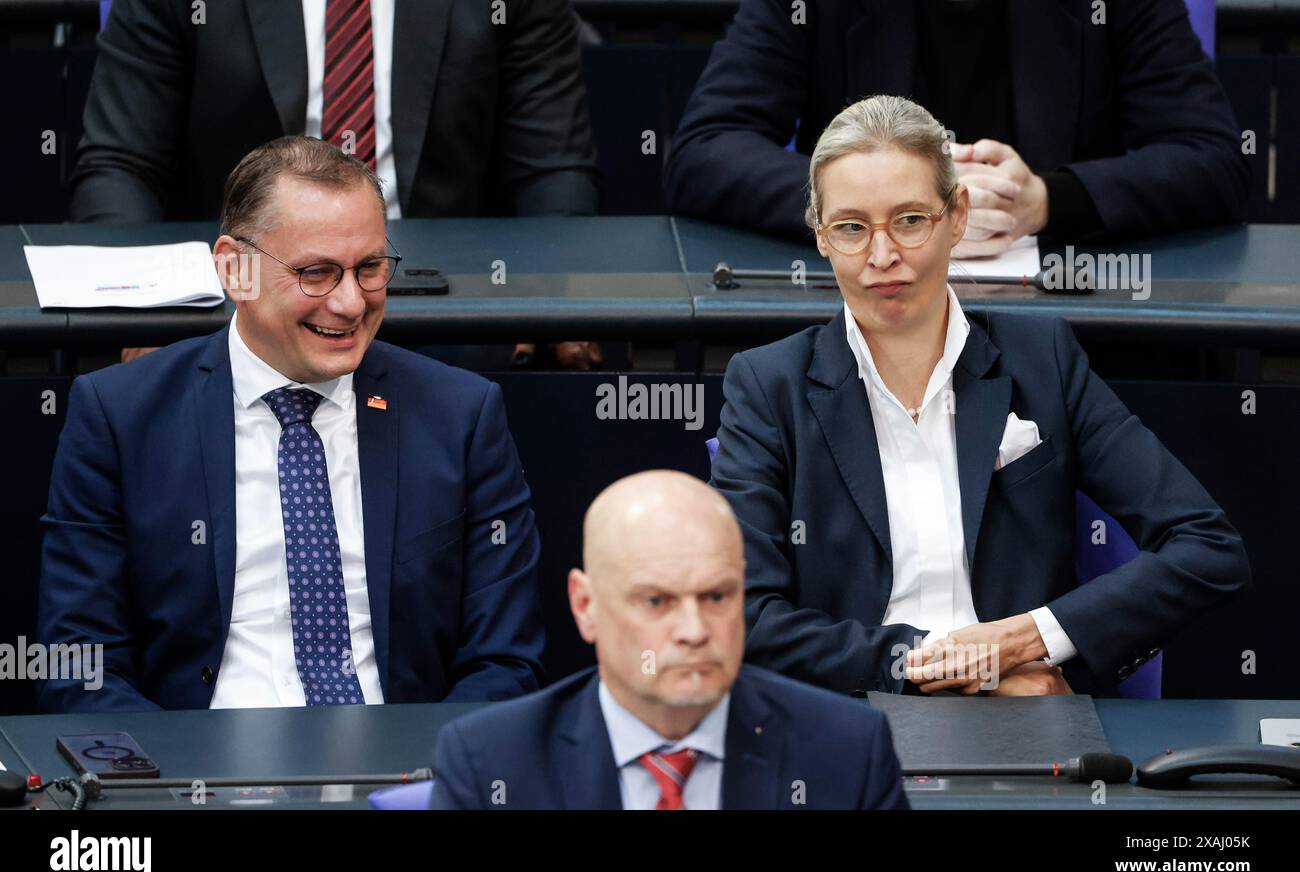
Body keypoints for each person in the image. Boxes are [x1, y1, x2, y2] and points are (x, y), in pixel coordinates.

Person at [708, 96, 1252, 699]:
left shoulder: (1042, 358)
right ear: (821, 237)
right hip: (849, 714)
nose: (882, 256)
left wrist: (1029, 640)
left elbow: (1208, 547)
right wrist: (942, 668)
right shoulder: (766, 383)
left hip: (1029, 712)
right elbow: (743, 616)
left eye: (910, 220)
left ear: (957, 216)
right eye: (852, 228)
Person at [37, 136, 545, 712]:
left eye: (371, 268)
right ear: (235, 270)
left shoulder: (461, 415)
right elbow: (80, 663)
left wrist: (427, 780)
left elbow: (505, 662)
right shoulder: (121, 416)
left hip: (398, 775)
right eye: (318, 273)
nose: (352, 303)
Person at [72, 0, 603, 370]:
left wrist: (555, 300)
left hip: (445, 308)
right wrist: (143, 313)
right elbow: (121, 163)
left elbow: (552, 167)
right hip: (238, 308)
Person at [430, 471, 909, 810]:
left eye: (717, 596)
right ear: (585, 606)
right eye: (656, 601)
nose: (695, 630)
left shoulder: (847, 753)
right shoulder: (490, 765)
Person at [664, 0, 1250, 254]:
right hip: (864, 316)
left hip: (1066, 322)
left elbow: (1212, 158)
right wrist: (876, 207)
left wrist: (1046, 200)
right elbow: (706, 150)